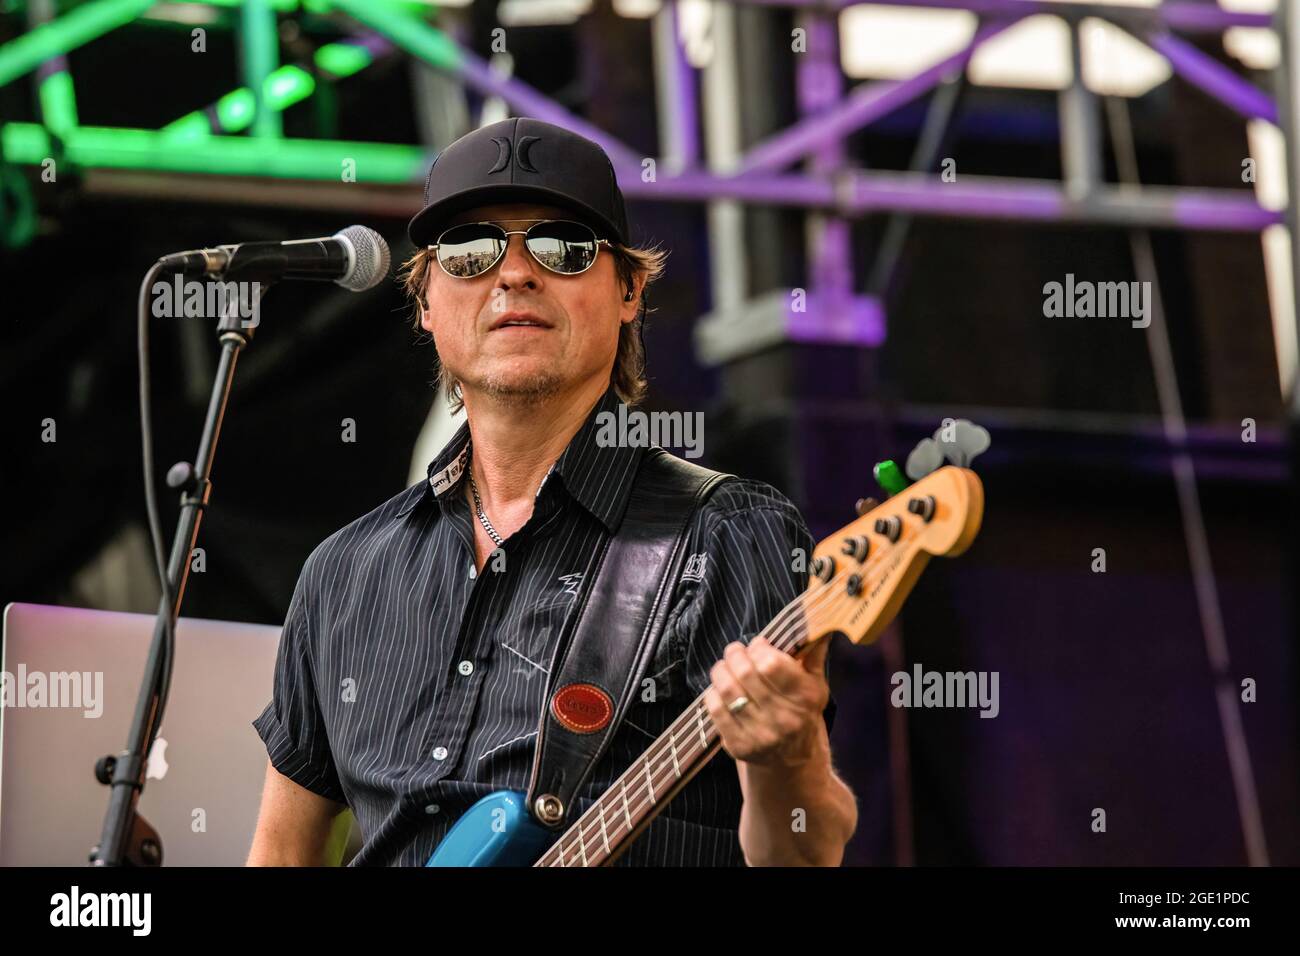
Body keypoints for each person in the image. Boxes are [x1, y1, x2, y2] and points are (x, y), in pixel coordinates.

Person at [246, 117, 857, 866]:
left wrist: (786, 763)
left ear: (630, 289)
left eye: (561, 247)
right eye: (469, 252)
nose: (513, 273)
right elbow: (280, 854)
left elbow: (809, 851)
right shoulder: (343, 573)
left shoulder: (729, 536)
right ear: (427, 301)